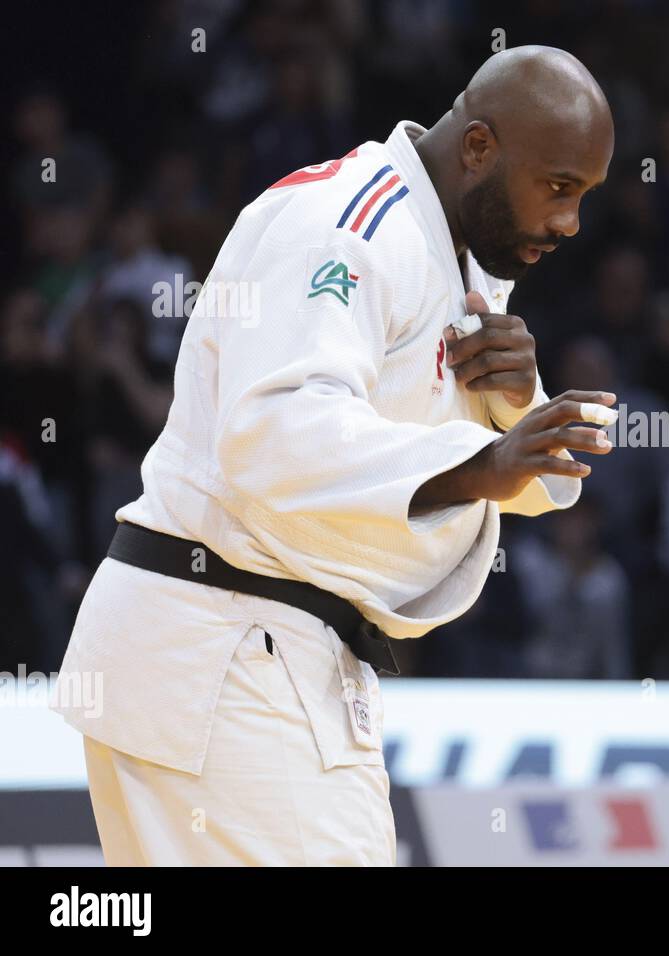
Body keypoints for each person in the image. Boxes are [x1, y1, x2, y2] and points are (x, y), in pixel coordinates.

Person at [52, 46, 616, 866]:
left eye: (585, 196)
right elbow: (274, 436)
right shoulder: (351, 225)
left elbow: (509, 479)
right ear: (480, 148)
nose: (570, 223)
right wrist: (479, 464)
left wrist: (515, 406)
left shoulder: (460, 251)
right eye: (560, 188)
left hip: (253, 655)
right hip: (230, 647)